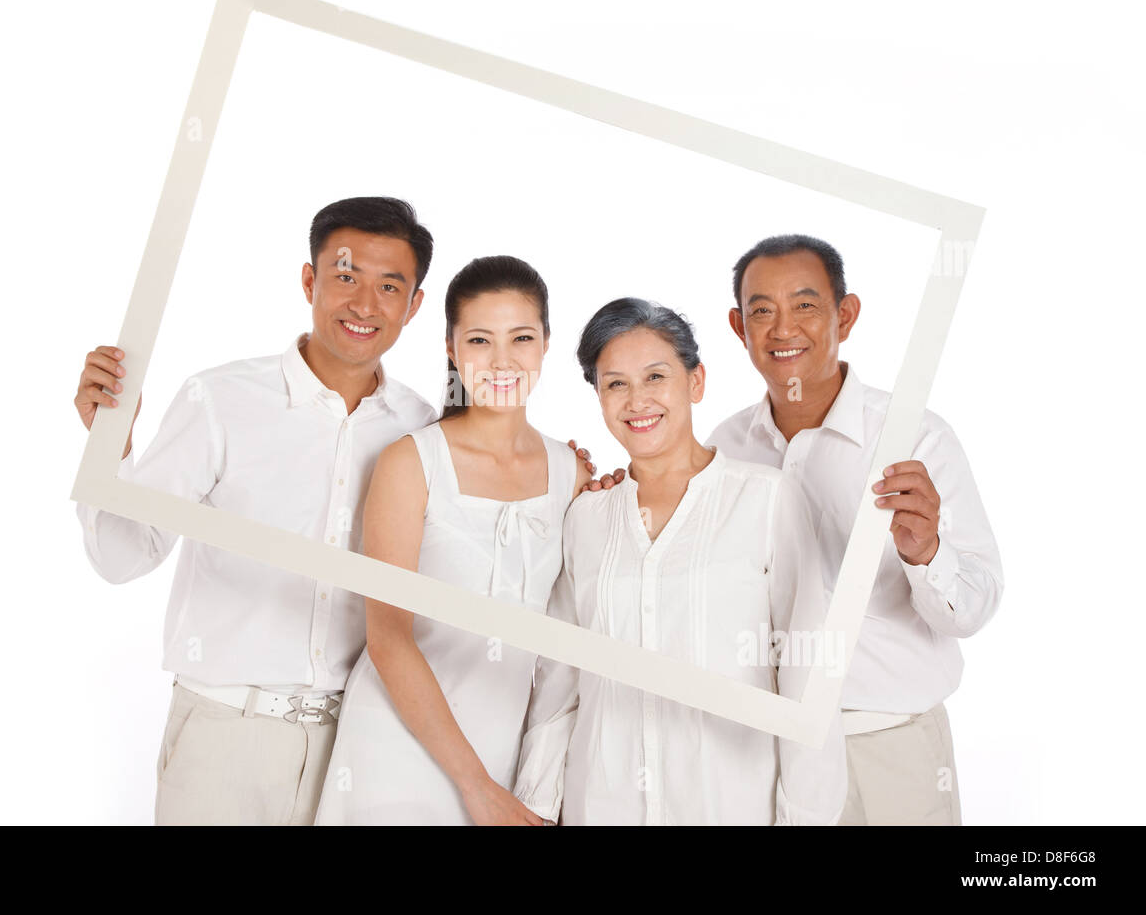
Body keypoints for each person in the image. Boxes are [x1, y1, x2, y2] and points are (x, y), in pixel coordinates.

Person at [73, 197, 439, 825]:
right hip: (224, 739)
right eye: (346, 277)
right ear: (309, 281)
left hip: (363, 745)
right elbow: (122, 555)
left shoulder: (423, 428)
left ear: (415, 305)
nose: (364, 305)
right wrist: (110, 446)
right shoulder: (220, 400)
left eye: (389, 287)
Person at [513, 298, 847, 825]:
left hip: (728, 805)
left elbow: (809, 678)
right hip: (603, 803)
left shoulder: (764, 500)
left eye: (655, 376)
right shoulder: (586, 518)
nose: (636, 400)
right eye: (615, 383)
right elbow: (561, 678)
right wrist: (533, 802)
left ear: (696, 382)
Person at [710, 235, 1003, 825]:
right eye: (762, 310)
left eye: (805, 305)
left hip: (889, 748)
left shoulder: (915, 437)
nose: (782, 328)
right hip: (764, 749)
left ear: (845, 315)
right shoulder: (723, 448)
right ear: (740, 327)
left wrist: (927, 554)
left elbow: (972, 609)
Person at [314, 256, 593, 825]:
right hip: (396, 751)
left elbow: (565, 651)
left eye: (521, 338)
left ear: (545, 345)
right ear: (450, 347)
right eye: (480, 340)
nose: (502, 361)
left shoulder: (573, 475)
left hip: (505, 757)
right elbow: (389, 639)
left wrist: (530, 786)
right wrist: (475, 786)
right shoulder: (411, 462)